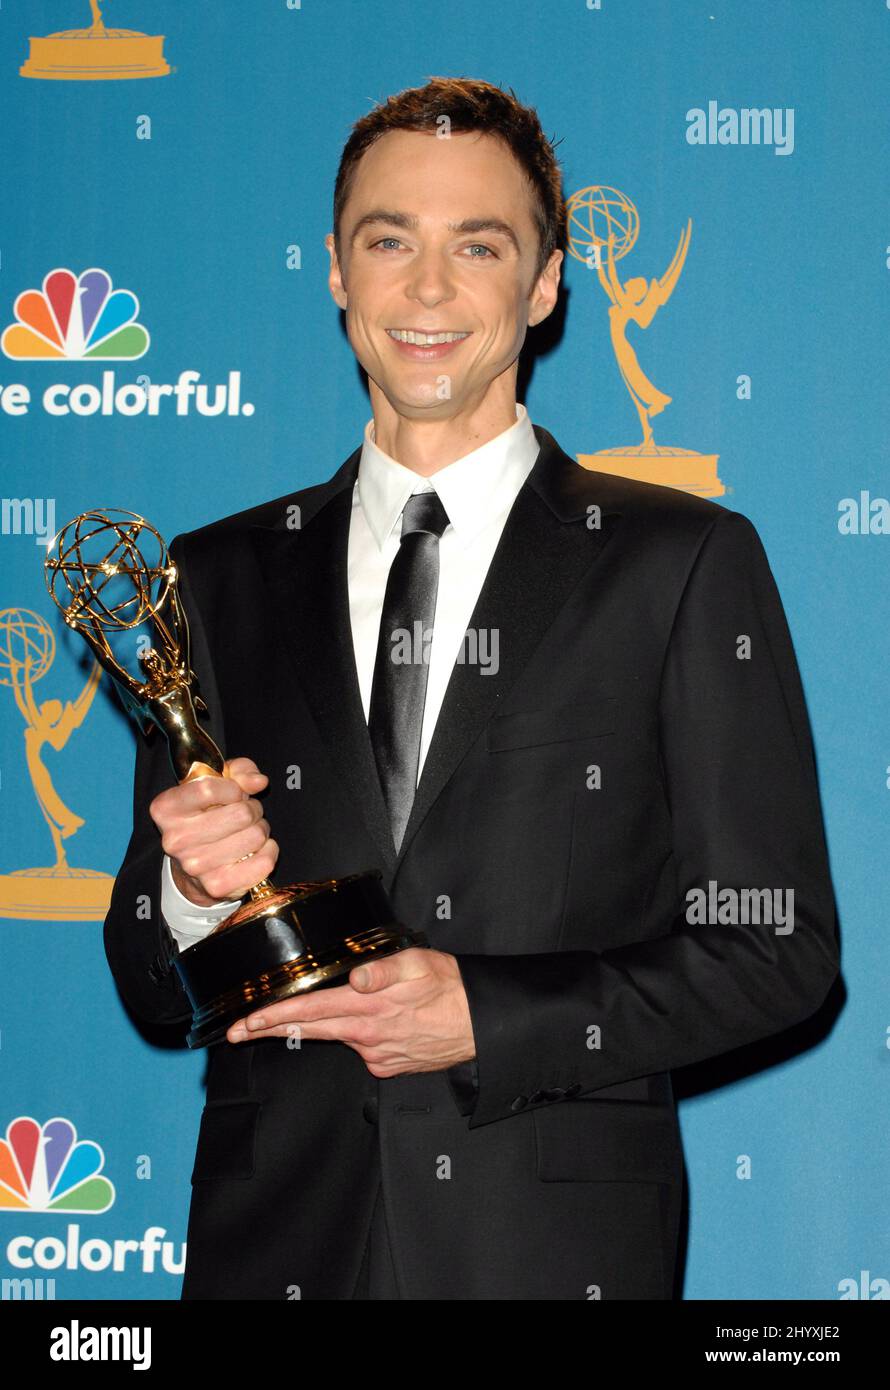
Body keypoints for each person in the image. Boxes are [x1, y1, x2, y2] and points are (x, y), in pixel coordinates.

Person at [104, 77, 840, 1300]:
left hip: (548, 1262)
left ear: (546, 284)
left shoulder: (677, 563)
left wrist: (491, 1020)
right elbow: (148, 979)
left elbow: (778, 949)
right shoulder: (214, 576)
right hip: (270, 1248)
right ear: (336, 272)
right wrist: (184, 893)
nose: (428, 289)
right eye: (388, 240)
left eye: (477, 245)